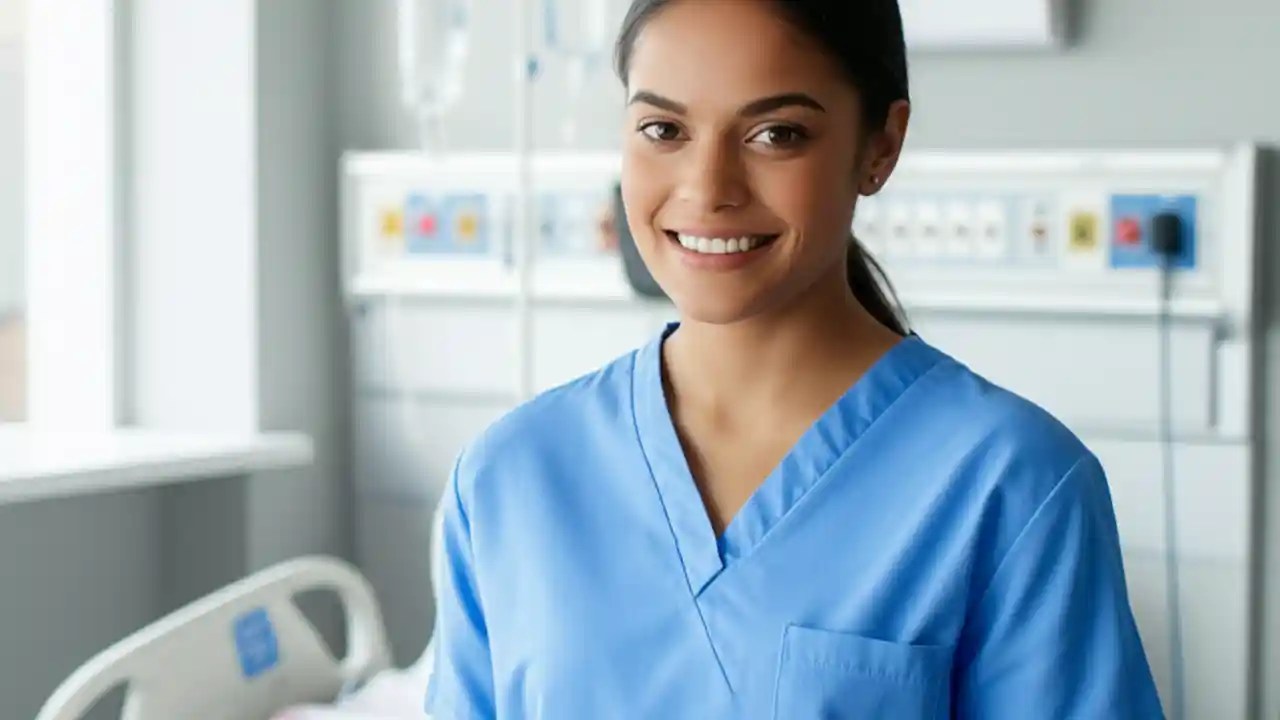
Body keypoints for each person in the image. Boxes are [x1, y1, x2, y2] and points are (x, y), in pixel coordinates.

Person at [426, 0, 1164, 717]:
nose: (708, 189)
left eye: (776, 134)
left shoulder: (1009, 484)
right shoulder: (508, 478)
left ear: (879, 146)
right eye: (663, 128)